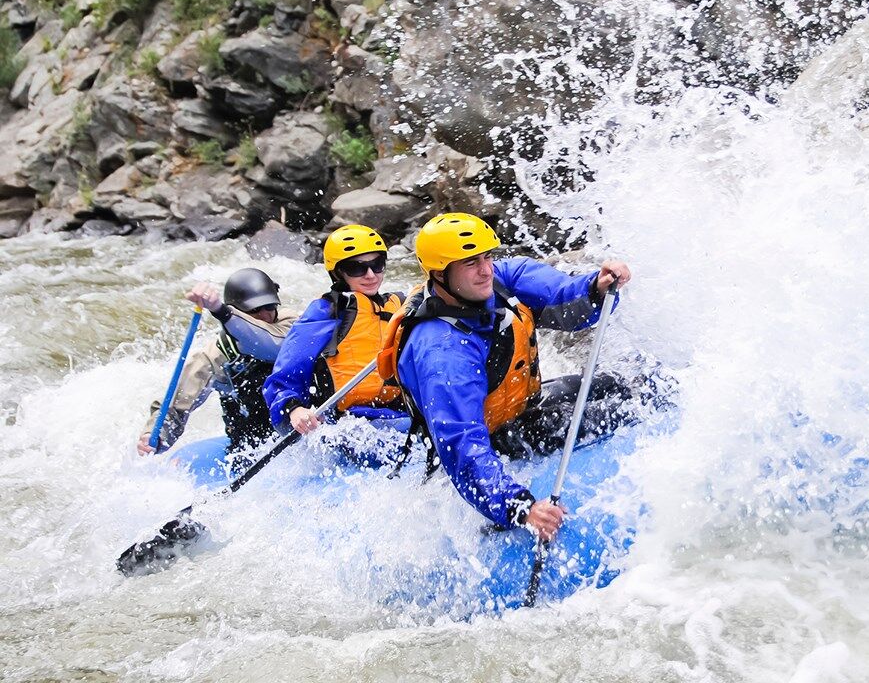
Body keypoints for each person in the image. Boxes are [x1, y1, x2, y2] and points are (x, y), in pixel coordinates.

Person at [379, 213, 632, 542]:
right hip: (497, 440)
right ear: (441, 273)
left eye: (487, 257)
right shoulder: (443, 353)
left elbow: (565, 296)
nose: (485, 270)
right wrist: (521, 508)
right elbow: (462, 446)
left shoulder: (497, 280)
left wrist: (595, 287)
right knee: (619, 411)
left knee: (622, 383)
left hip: (526, 407)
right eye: (471, 263)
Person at [264, 224, 407, 437]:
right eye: (357, 268)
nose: (370, 275)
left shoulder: (401, 306)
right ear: (339, 272)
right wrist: (293, 408)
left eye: (377, 265)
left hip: (401, 414)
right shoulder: (326, 312)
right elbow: (288, 368)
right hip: (349, 426)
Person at [138, 268, 297, 458]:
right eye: (254, 310)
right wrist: (155, 436)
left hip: (302, 426)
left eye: (269, 306)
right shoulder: (215, 355)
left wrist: (221, 311)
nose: (264, 315)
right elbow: (176, 406)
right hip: (253, 448)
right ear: (238, 311)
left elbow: (271, 343)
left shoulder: (292, 323)